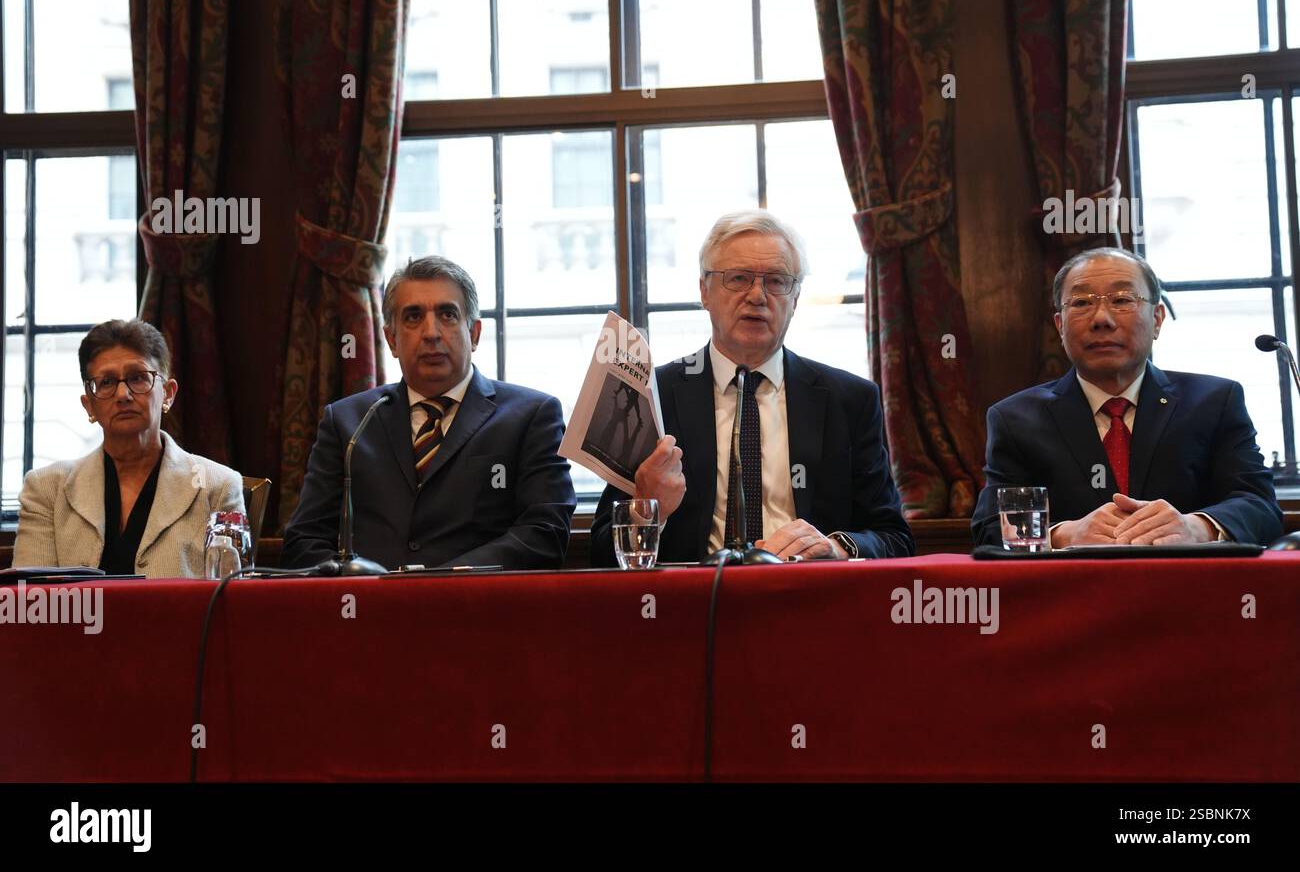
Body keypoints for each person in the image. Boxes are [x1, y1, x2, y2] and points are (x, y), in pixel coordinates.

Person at [591, 210, 915, 565]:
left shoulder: (850, 400)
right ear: (704, 291)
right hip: (692, 605)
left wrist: (836, 547)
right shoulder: (654, 396)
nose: (758, 296)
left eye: (776, 281)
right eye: (739, 278)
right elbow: (602, 551)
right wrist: (648, 511)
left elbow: (893, 537)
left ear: (795, 298)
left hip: (808, 599)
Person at [971, 247, 1283, 547]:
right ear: (1059, 327)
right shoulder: (1016, 419)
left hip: (1190, 592)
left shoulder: (1215, 402)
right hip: (1072, 595)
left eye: (1122, 300)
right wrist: (1065, 534)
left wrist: (1196, 526)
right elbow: (989, 528)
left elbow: (1259, 506)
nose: (1101, 318)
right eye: (1081, 303)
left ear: (1157, 320)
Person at [284, 256, 576, 570]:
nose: (431, 333)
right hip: (369, 610)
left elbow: (544, 534)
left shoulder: (532, 416)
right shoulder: (347, 423)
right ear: (392, 339)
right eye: (413, 317)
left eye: (448, 314)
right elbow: (304, 539)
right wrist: (361, 582)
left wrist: (440, 583)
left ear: (474, 333)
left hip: (479, 610)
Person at [14, 319, 245, 577]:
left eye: (137, 378)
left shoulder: (218, 486)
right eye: (107, 383)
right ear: (88, 405)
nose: (123, 394)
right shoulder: (46, 489)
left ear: (168, 393)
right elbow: (30, 601)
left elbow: (230, 602)